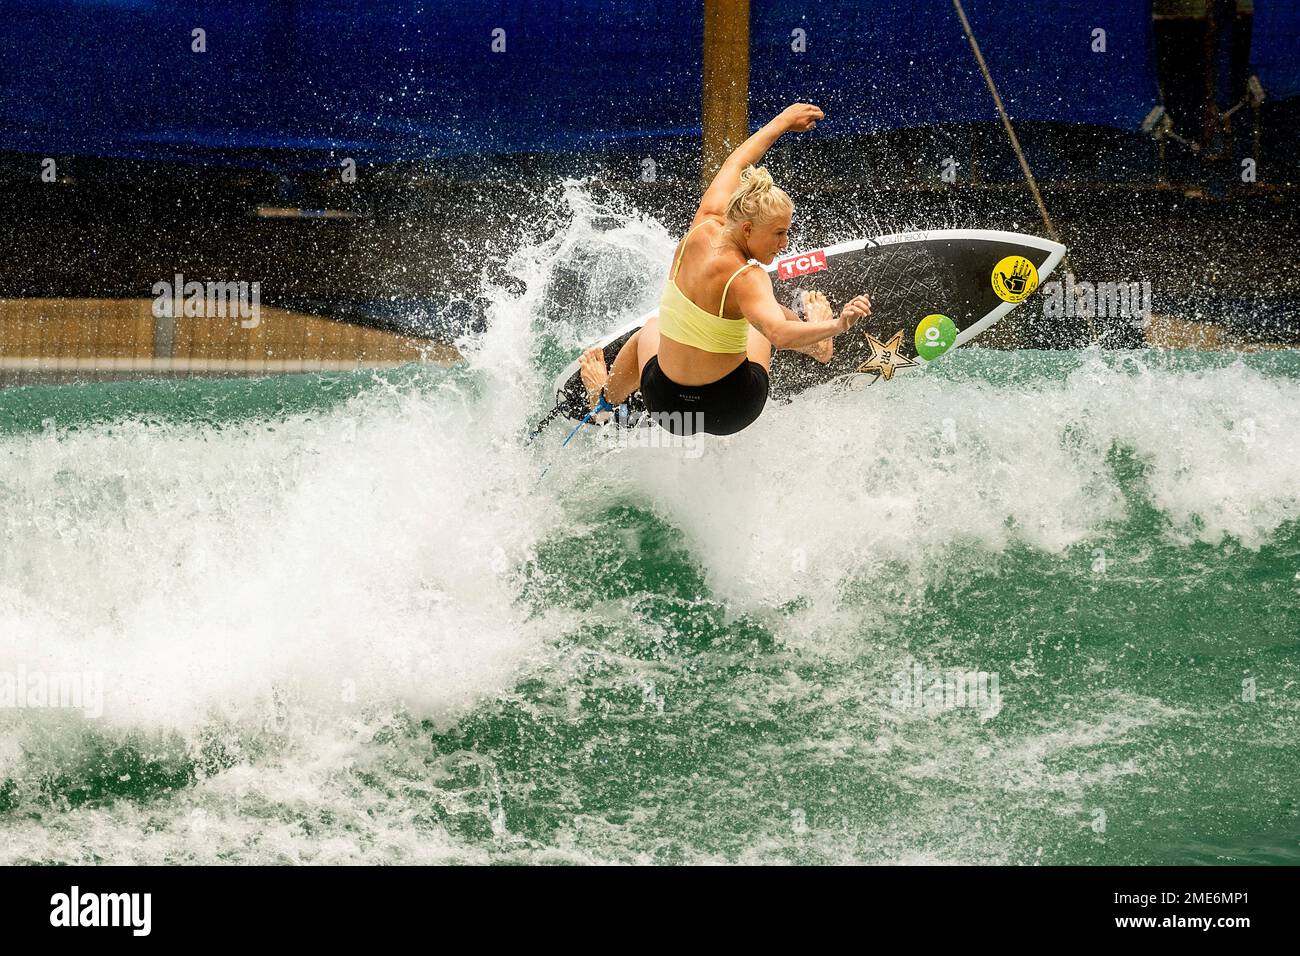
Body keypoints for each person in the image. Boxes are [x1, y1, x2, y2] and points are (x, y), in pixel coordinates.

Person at [578, 102, 872, 436]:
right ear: (747, 229)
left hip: (668, 407)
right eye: (778, 233)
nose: (785, 243)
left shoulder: (702, 226)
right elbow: (779, 334)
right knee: (761, 317)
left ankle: (602, 401)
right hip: (733, 409)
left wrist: (782, 121)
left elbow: (737, 162)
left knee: (650, 329)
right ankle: (819, 347)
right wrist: (838, 324)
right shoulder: (748, 278)